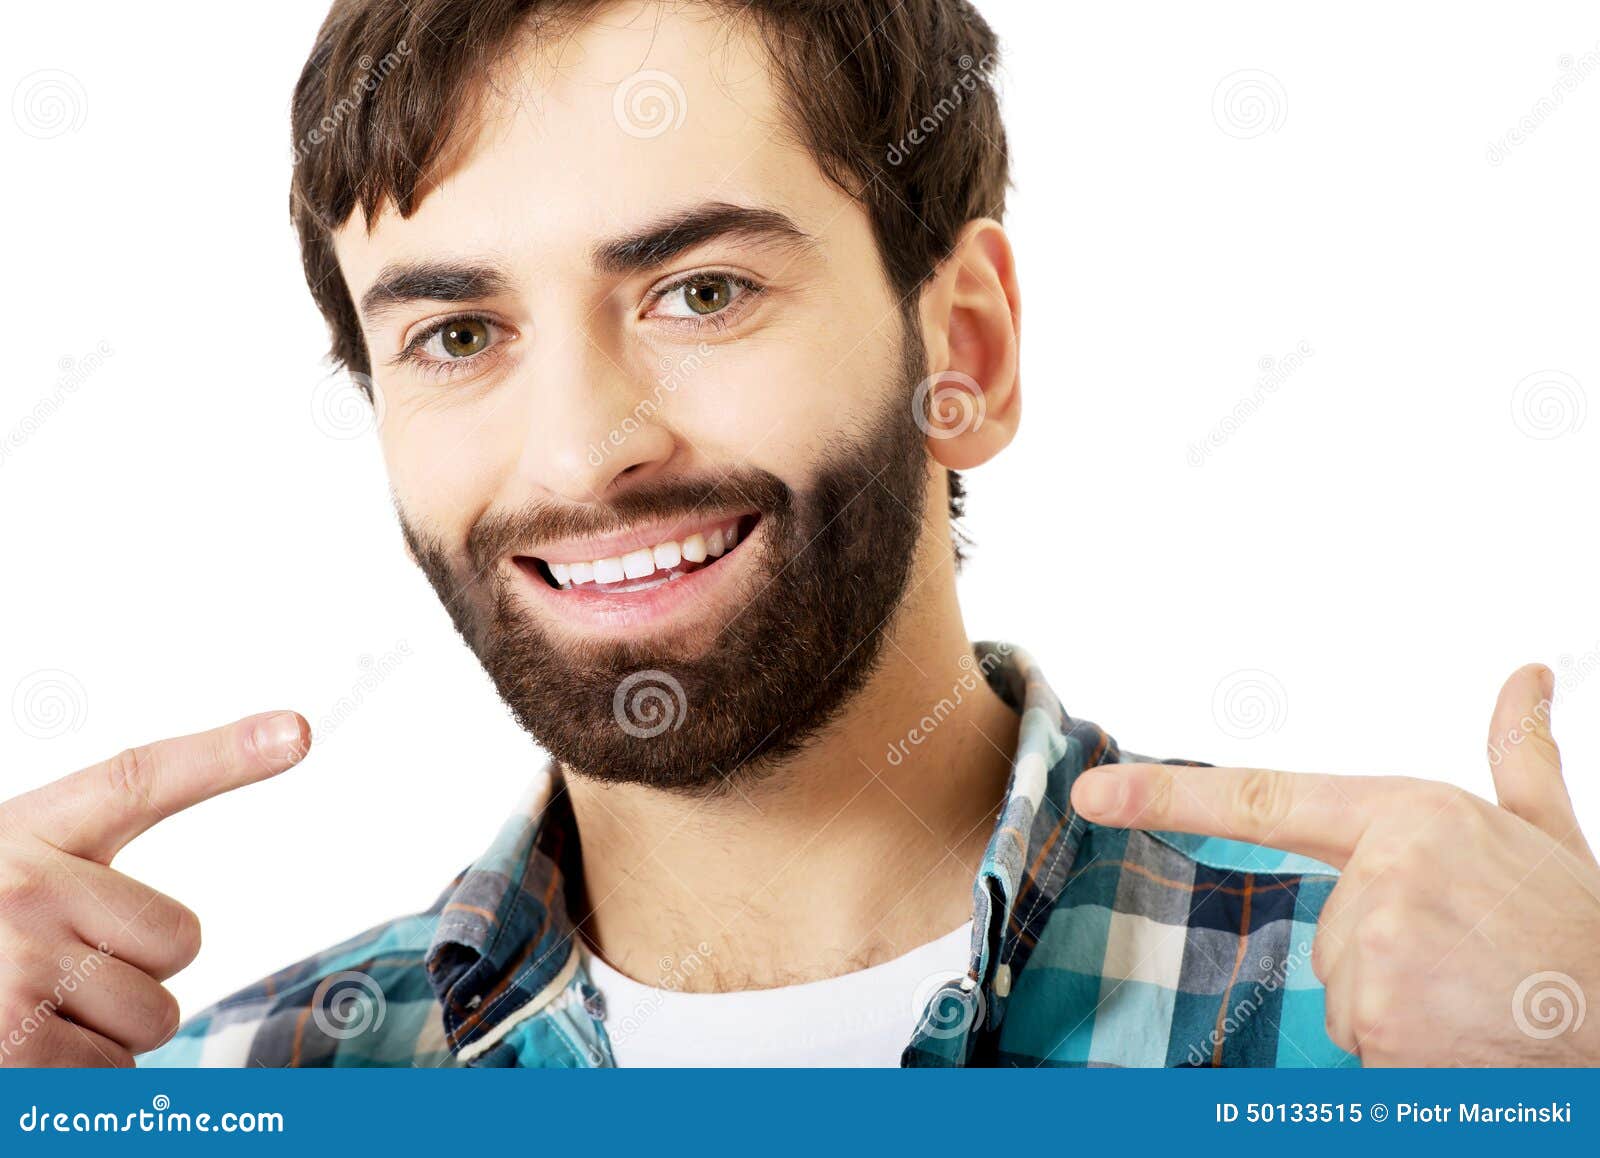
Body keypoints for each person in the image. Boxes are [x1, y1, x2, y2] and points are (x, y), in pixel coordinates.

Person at [3, 0, 1596, 1069]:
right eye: (459, 335)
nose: (582, 450)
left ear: (963, 352)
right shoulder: (225, 1089)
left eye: (701, 292)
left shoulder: (1422, 1040)